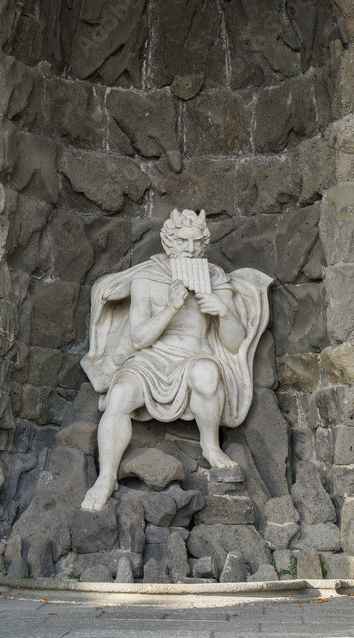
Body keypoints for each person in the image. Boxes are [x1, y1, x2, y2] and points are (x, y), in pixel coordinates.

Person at [80, 208, 272, 512]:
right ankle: (106, 477)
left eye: (197, 242)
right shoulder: (146, 278)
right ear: (169, 242)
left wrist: (223, 312)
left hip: (195, 357)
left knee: (207, 374)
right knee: (120, 394)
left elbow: (235, 343)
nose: (190, 249)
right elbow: (139, 338)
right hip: (150, 360)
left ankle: (211, 446)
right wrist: (171, 307)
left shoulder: (214, 279)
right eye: (183, 241)